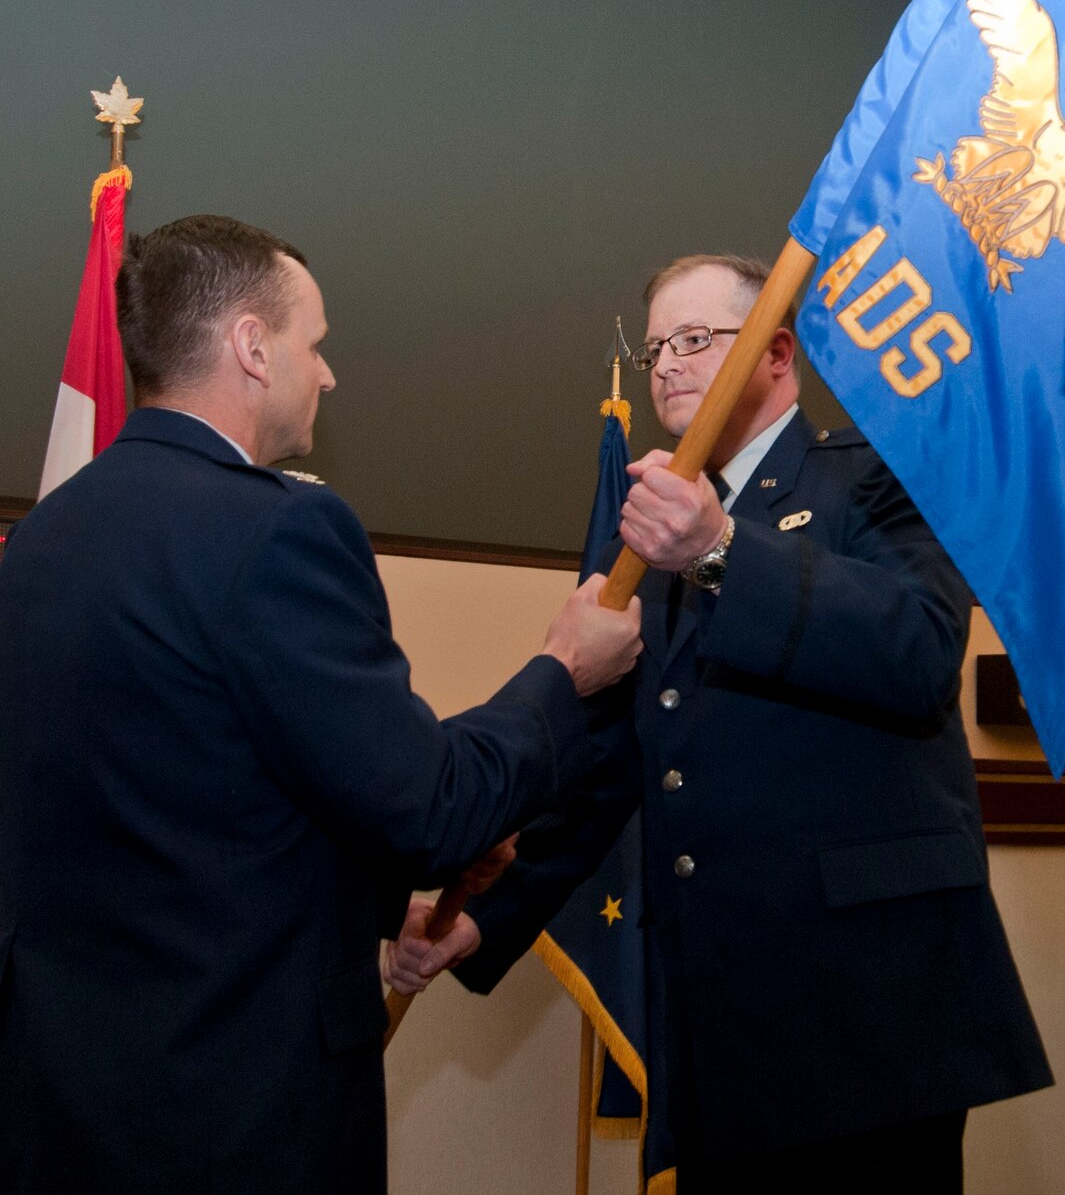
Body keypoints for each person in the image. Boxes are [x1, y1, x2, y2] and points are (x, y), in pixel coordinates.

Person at [0, 214, 643, 1195]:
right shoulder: (279, 533)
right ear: (252, 348)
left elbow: (194, 796)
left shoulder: (42, 539)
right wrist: (562, 671)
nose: (329, 373)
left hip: (59, 1112)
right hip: (235, 1118)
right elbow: (430, 809)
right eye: (317, 342)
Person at [385, 254, 1053, 1193]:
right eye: (656, 345)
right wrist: (486, 921)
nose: (664, 364)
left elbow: (919, 652)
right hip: (718, 1018)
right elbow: (619, 757)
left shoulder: (877, 475)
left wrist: (720, 549)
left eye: (696, 339)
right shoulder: (654, 544)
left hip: (870, 1014)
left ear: (777, 352)